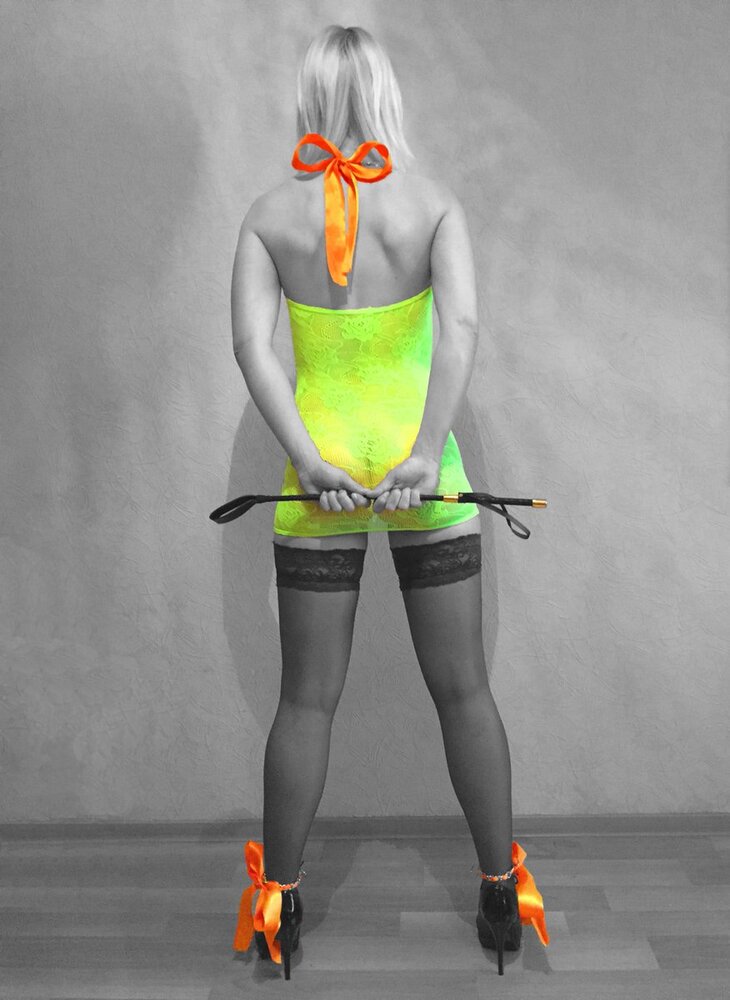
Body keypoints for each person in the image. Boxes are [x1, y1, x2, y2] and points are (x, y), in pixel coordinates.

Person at [229, 24, 549, 981]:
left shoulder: (266, 216)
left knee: (304, 701)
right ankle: (501, 894)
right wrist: (420, 453)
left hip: (318, 474)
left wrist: (307, 460)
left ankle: (280, 909)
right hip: (424, 473)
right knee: (465, 691)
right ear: (385, 95)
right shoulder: (434, 204)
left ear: (309, 98)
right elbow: (462, 328)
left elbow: (250, 348)